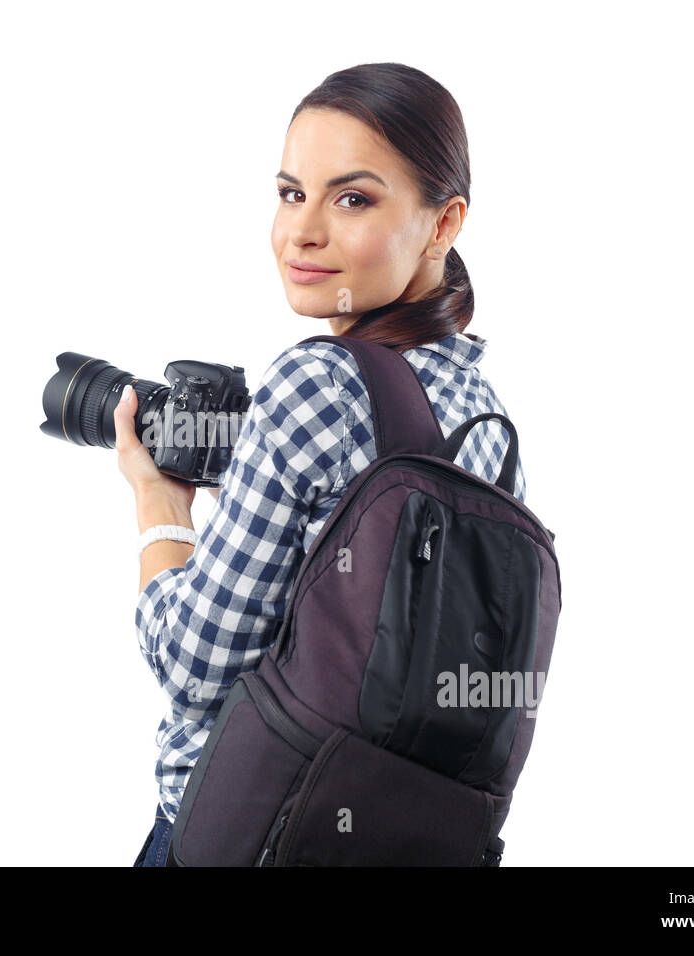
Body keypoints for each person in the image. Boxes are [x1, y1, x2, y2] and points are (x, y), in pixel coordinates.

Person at [115, 62, 528, 867]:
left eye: (353, 199)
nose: (301, 232)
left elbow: (194, 664)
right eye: (289, 192)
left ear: (444, 223)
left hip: (239, 839)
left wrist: (158, 508)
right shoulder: (491, 417)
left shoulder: (314, 384)